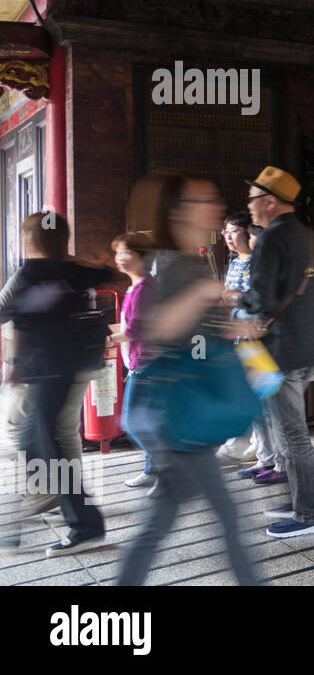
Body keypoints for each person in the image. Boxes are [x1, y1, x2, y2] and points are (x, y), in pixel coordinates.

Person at [116, 174, 262, 585]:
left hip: (181, 412)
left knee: (161, 520)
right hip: (178, 412)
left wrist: (229, 326)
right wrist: (206, 295)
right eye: (205, 200)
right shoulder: (170, 261)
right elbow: (156, 327)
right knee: (229, 519)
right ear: (179, 212)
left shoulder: (194, 259)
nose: (216, 206)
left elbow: (192, 331)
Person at [0, 212, 114, 556]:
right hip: (68, 368)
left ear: (30, 239)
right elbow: (110, 274)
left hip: (47, 371)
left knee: (44, 446)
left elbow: (8, 314)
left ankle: (83, 524)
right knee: (35, 442)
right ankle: (51, 509)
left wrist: (14, 362)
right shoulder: (72, 270)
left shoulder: (29, 273)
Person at [241, 166, 314, 538]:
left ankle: (311, 513)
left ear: (270, 201)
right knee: (284, 428)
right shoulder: (310, 236)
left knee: (292, 433)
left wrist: (234, 300)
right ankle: (298, 498)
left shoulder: (270, 239)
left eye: (252, 199)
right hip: (309, 347)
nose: (248, 206)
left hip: (282, 352)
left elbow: (260, 298)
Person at [217, 213, 284, 482]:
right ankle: (264, 458)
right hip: (237, 339)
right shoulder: (233, 262)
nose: (228, 237)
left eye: (233, 231)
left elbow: (263, 302)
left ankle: (278, 462)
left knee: (268, 403)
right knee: (253, 403)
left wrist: (234, 299)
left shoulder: (260, 264)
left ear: (249, 233)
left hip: (256, 339)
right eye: (225, 232)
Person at [110, 232, 159, 495]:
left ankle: (167, 467)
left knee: (132, 422)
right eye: (118, 252)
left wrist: (103, 338)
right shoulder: (137, 286)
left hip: (147, 364)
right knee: (149, 421)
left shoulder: (144, 289)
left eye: (126, 252)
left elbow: (134, 331)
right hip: (140, 361)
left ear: (141, 256)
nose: (119, 258)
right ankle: (155, 471)